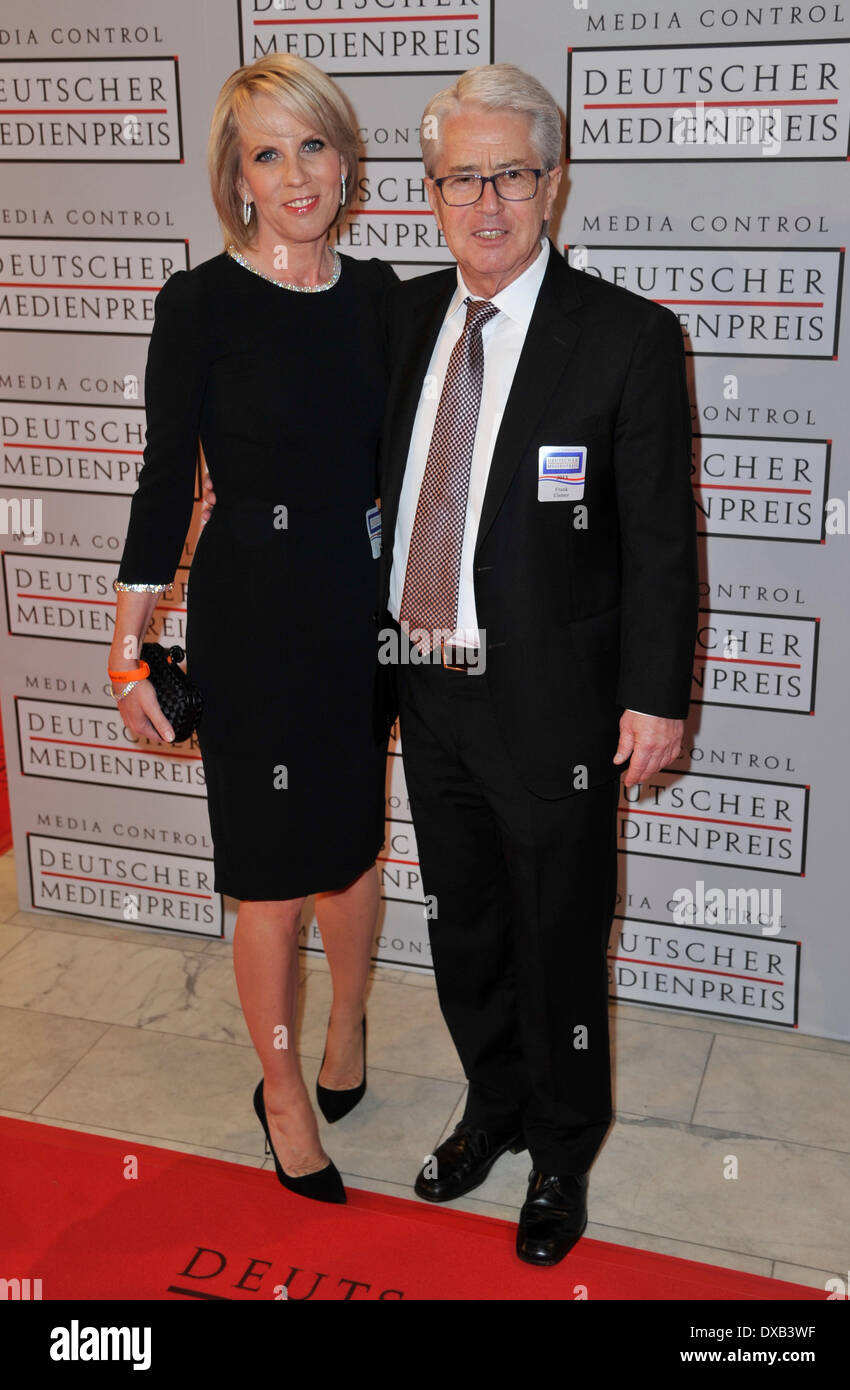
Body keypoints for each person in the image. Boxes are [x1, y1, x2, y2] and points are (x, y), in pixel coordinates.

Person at [376, 64, 698, 1264]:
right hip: (425, 685)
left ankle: (562, 1147)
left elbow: (662, 538)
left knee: (559, 930)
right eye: (464, 179)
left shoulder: (624, 337)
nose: (489, 203)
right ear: (431, 193)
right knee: (465, 924)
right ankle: (493, 1103)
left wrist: (654, 695)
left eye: (512, 174)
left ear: (553, 183)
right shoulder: (402, 319)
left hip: (557, 702)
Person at [110, 54, 397, 1205]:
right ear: (235, 175)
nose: (295, 174)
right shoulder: (200, 305)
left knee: (356, 851)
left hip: (356, 619)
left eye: (313, 145)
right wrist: (128, 645)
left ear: (344, 157)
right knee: (272, 881)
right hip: (248, 623)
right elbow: (160, 485)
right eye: (267, 152)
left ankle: (348, 1035)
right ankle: (282, 1093)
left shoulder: (388, 298)